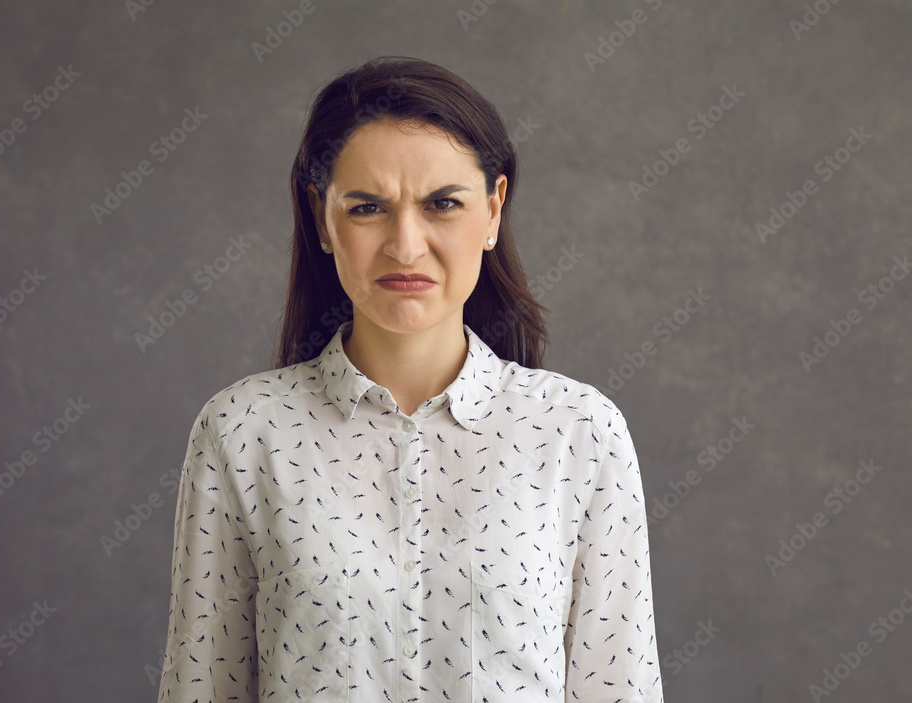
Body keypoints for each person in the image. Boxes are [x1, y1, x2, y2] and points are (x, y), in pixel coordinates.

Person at [156, 55, 663, 703]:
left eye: (443, 203)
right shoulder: (244, 433)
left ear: (493, 209)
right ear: (321, 217)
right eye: (367, 207)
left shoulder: (578, 433)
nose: (405, 244)